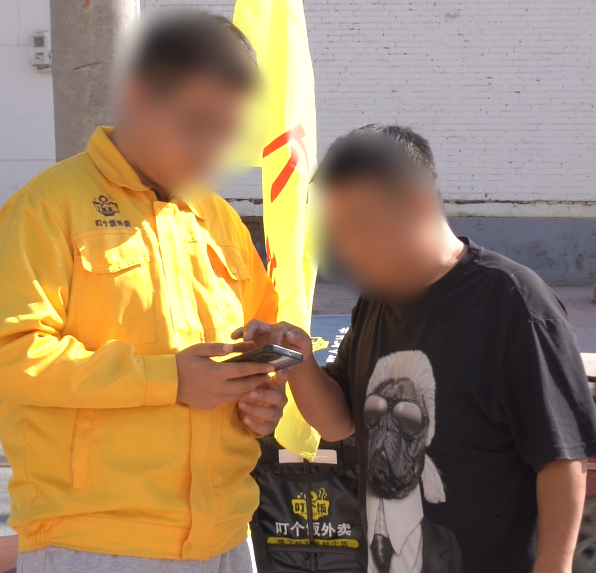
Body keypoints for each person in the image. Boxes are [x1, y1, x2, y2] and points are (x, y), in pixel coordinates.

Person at [235, 125, 596, 573]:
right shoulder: (376, 301)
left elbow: (562, 457)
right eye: (336, 229)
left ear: (419, 206)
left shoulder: (513, 303)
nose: (346, 248)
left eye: (360, 224)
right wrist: (302, 362)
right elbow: (339, 422)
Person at [0, 11, 287, 573]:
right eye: (196, 122)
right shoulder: (45, 209)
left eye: (228, 131)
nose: (211, 150)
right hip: (94, 542)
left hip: (228, 536)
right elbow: (12, 355)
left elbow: (255, 355)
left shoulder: (221, 221)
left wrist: (262, 399)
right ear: (137, 97)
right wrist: (167, 380)